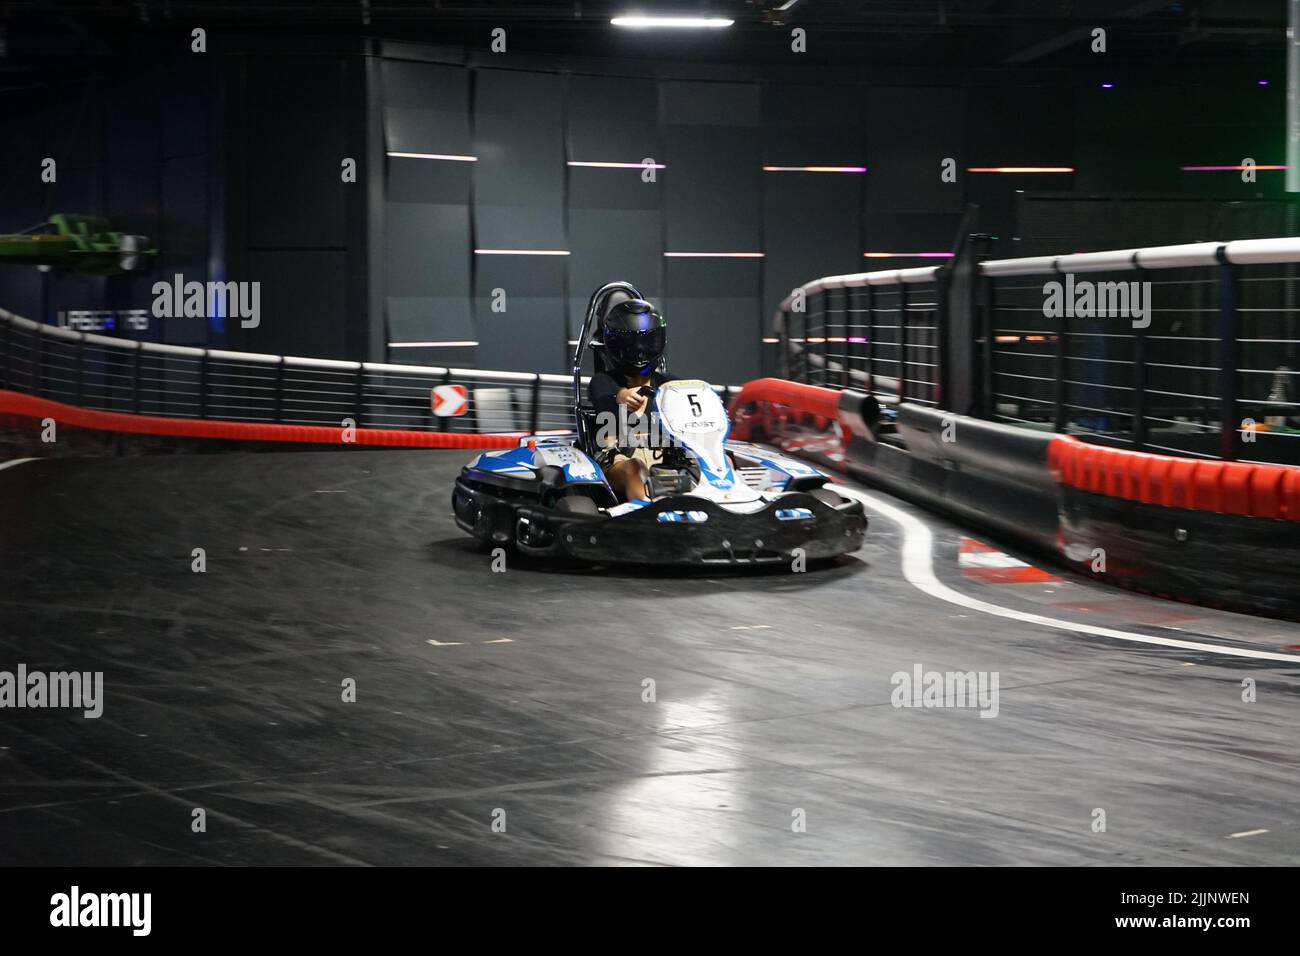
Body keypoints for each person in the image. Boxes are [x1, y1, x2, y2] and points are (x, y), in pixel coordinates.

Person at [589, 298, 675, 501]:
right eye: (632, 345)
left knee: (723, 459)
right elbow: (604, 399)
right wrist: (621, 397)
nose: (640, 351)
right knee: (636, 470)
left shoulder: (669, 384)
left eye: (647, 343)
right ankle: (646, 517)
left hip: (666, 458)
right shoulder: (604, 382)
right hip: (619, 460)